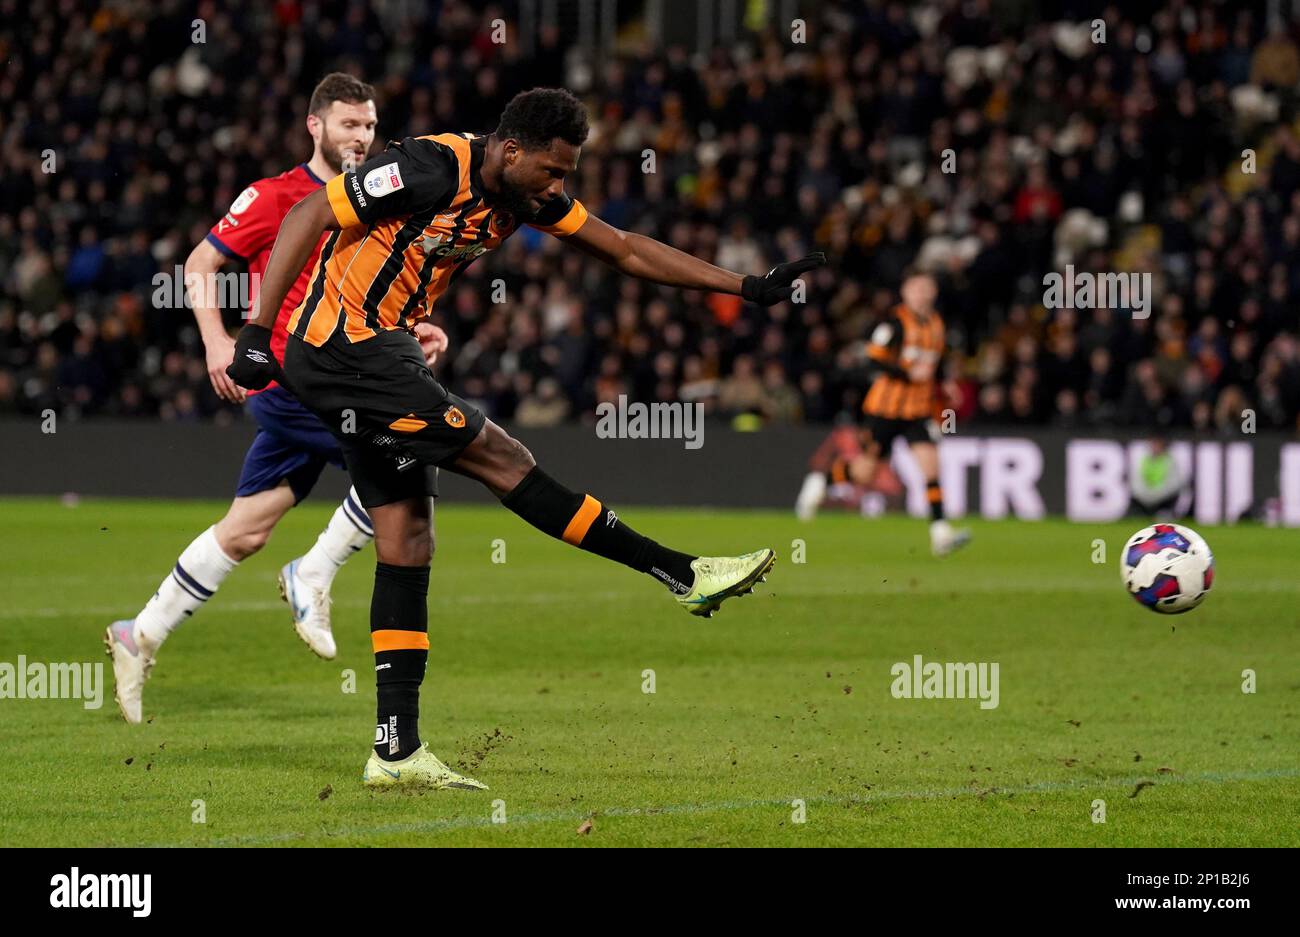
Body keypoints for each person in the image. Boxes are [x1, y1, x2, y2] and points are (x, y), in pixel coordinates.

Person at [227, 87, 824, 790]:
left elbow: (625, 250)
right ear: (511, 151)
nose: (557, 186)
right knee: (503, 456)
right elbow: (309, 212)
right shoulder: (429, 166)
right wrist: (257, 329)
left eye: (565, 174)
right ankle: (681, 573)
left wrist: (746, 286)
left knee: (408, 535)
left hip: (382, 352)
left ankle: (395, 750)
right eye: (552, 170)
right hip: (343, 348)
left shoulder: (526, 196)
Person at [105, 74, 395, 724]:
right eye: (349, 124)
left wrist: (411, 328)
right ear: (315, 126)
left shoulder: (371, 200)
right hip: (289, 378)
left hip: (339, 375)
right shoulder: (275, 196)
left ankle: (140, 632)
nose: (361, 137)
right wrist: (217, 341)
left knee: (246, 532)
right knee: (404, 458)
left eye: (370, 126)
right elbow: (199, 265)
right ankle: (312, 573)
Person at [795, 273, 970, 556]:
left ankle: (940, 533)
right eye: (916, 289)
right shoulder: (894, 324)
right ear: (905, 292)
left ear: (934, 292)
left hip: (918, 411)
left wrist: (945, 383)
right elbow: (873, 358)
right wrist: (906, 373)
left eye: (926, 289)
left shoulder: (938, 325)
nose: (922, 294)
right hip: (884, 411)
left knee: (931, 466)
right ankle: (821, 481)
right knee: (865, 472)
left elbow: (933, 364)